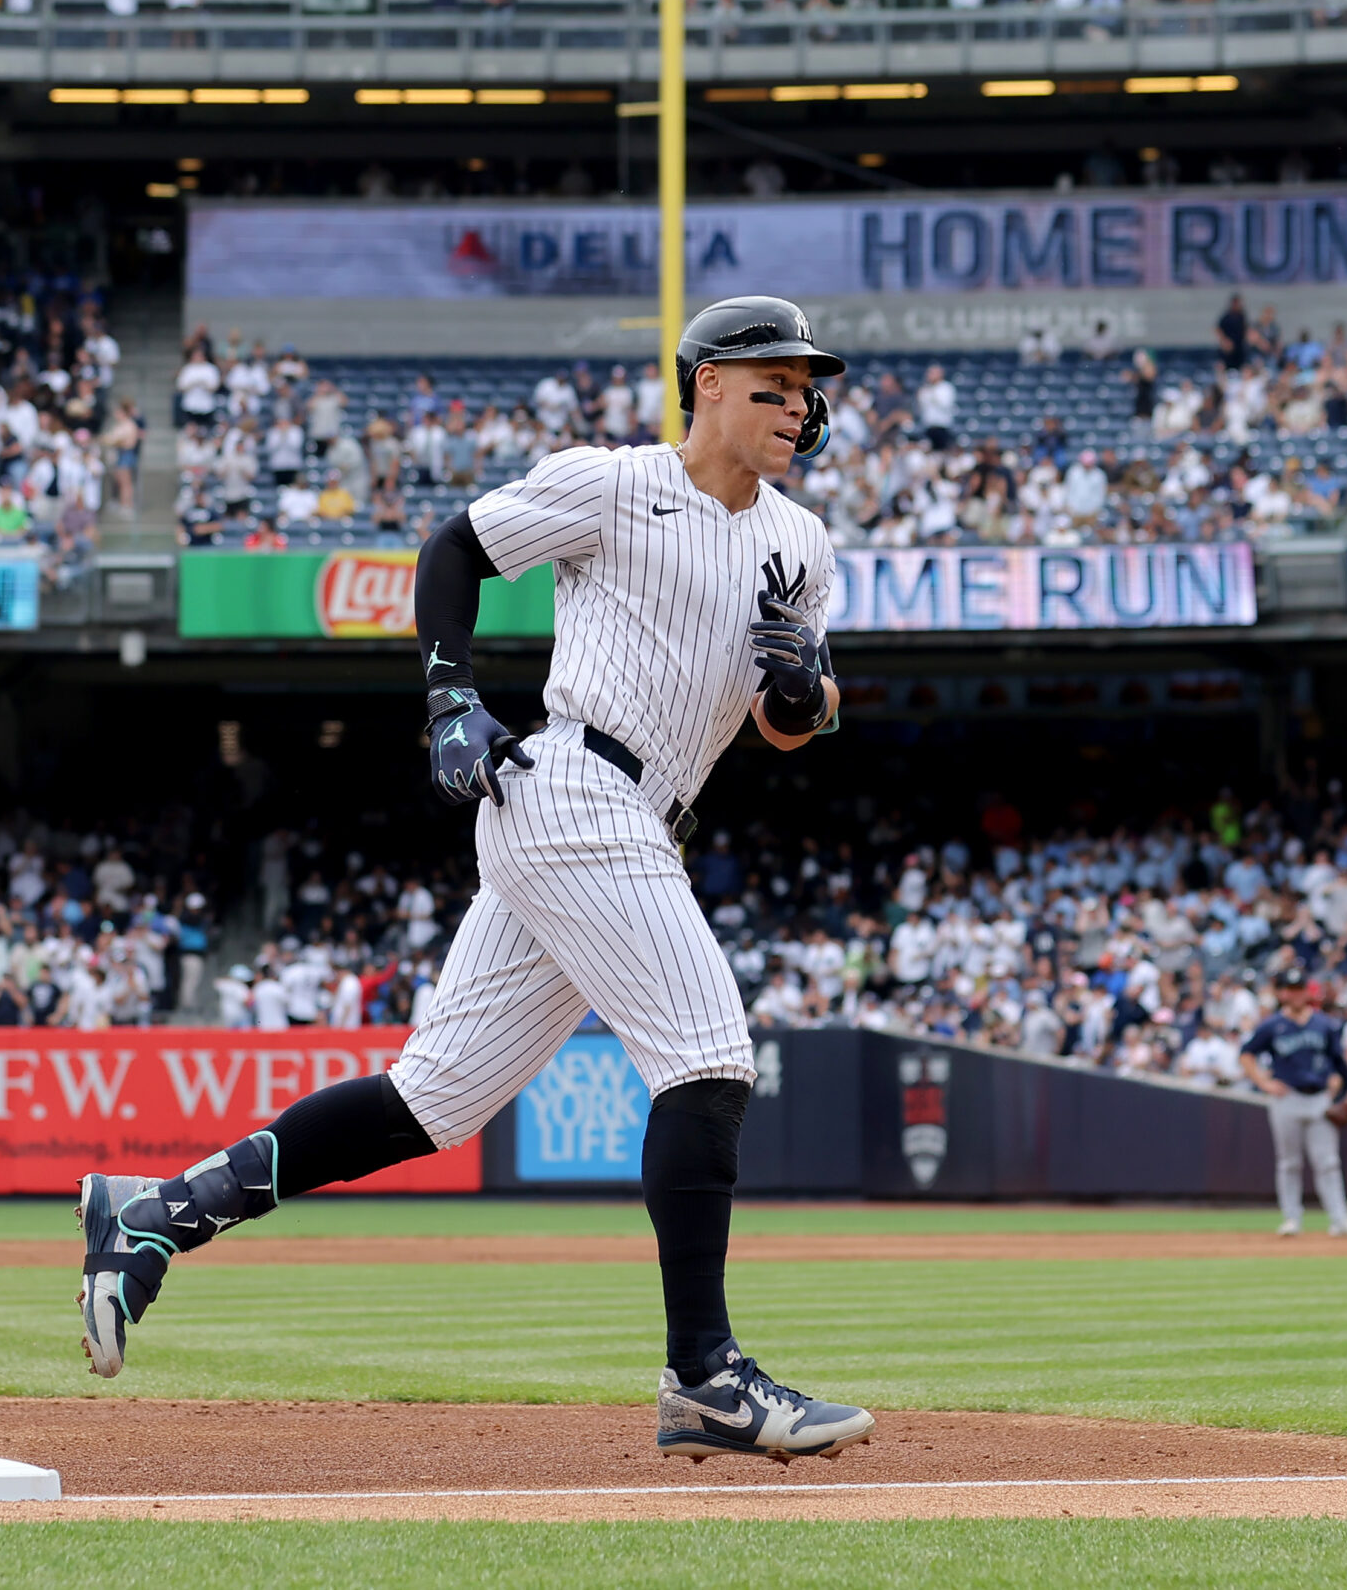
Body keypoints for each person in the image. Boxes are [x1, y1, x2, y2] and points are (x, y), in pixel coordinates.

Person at [77, 296, 873, 1463]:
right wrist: (449, 697)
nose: (798, 402)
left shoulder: (802, 544)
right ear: (704, 381)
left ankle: (162, 1212)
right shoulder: (614, 483)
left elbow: (794, 719)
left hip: (640, 818)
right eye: (774, 381)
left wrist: (807, 697)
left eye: (809, 387)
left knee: (432, 1101)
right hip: (574, 787)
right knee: (706, 1055)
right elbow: (454, 547)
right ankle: (702, 1373)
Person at [1238, 968, 1347, 1238]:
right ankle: (1292, 1219)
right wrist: (1263, 1083)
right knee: (1289, 1163)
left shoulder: (1323, 1024)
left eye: (1300, 989)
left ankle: (1340, 1220)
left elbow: (1340, 1063)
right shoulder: (1272, 1025)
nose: (1295, 994)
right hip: (1287, 1098)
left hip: (1319, 1099)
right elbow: (1246, 1055)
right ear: (1282, 992)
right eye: (1291, 989)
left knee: (1328, 1162)